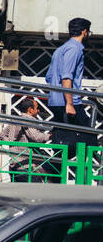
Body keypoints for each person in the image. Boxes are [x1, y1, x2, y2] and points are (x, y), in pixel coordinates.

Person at [45, 17, 93, 157]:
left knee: (64, 142)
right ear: (84, 31)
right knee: (89, 142)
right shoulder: (75, 49)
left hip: (55, 101)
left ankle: (52, 174)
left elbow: (49, 77)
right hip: (69, 103)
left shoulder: (60, 49)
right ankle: (84, 178)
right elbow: (67, 77)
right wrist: (70, 103)